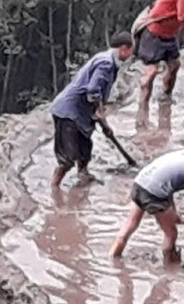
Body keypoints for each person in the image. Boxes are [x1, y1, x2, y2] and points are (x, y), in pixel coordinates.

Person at [50, 32, 135, 187]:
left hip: (81, 113)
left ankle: (83, 175)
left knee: (85, 148)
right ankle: (54, 190)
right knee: (66, 159)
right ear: (124, 48)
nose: (131, 55)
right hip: (69, 112)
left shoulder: (105, 59)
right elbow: (93, 91)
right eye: (131, 51)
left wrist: (102, 121)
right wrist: (101, 115)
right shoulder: (106, 63)